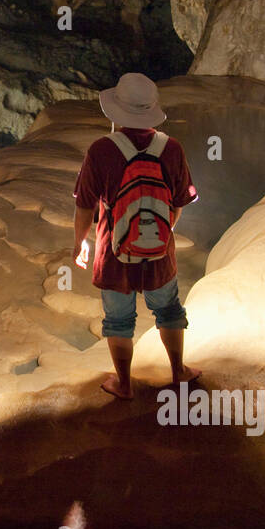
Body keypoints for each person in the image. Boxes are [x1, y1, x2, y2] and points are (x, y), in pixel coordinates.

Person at [72, 73, 200, 399]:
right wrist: (160, 230)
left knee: (118, 320)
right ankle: (179, 372)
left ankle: (124, 384)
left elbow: (86, 205)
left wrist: (80, 243)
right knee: (169, 310)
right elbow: (181, 202)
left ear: (115, 112)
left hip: (113, 252)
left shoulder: (101, 151)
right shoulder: (171, 148)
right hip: (159, 251)